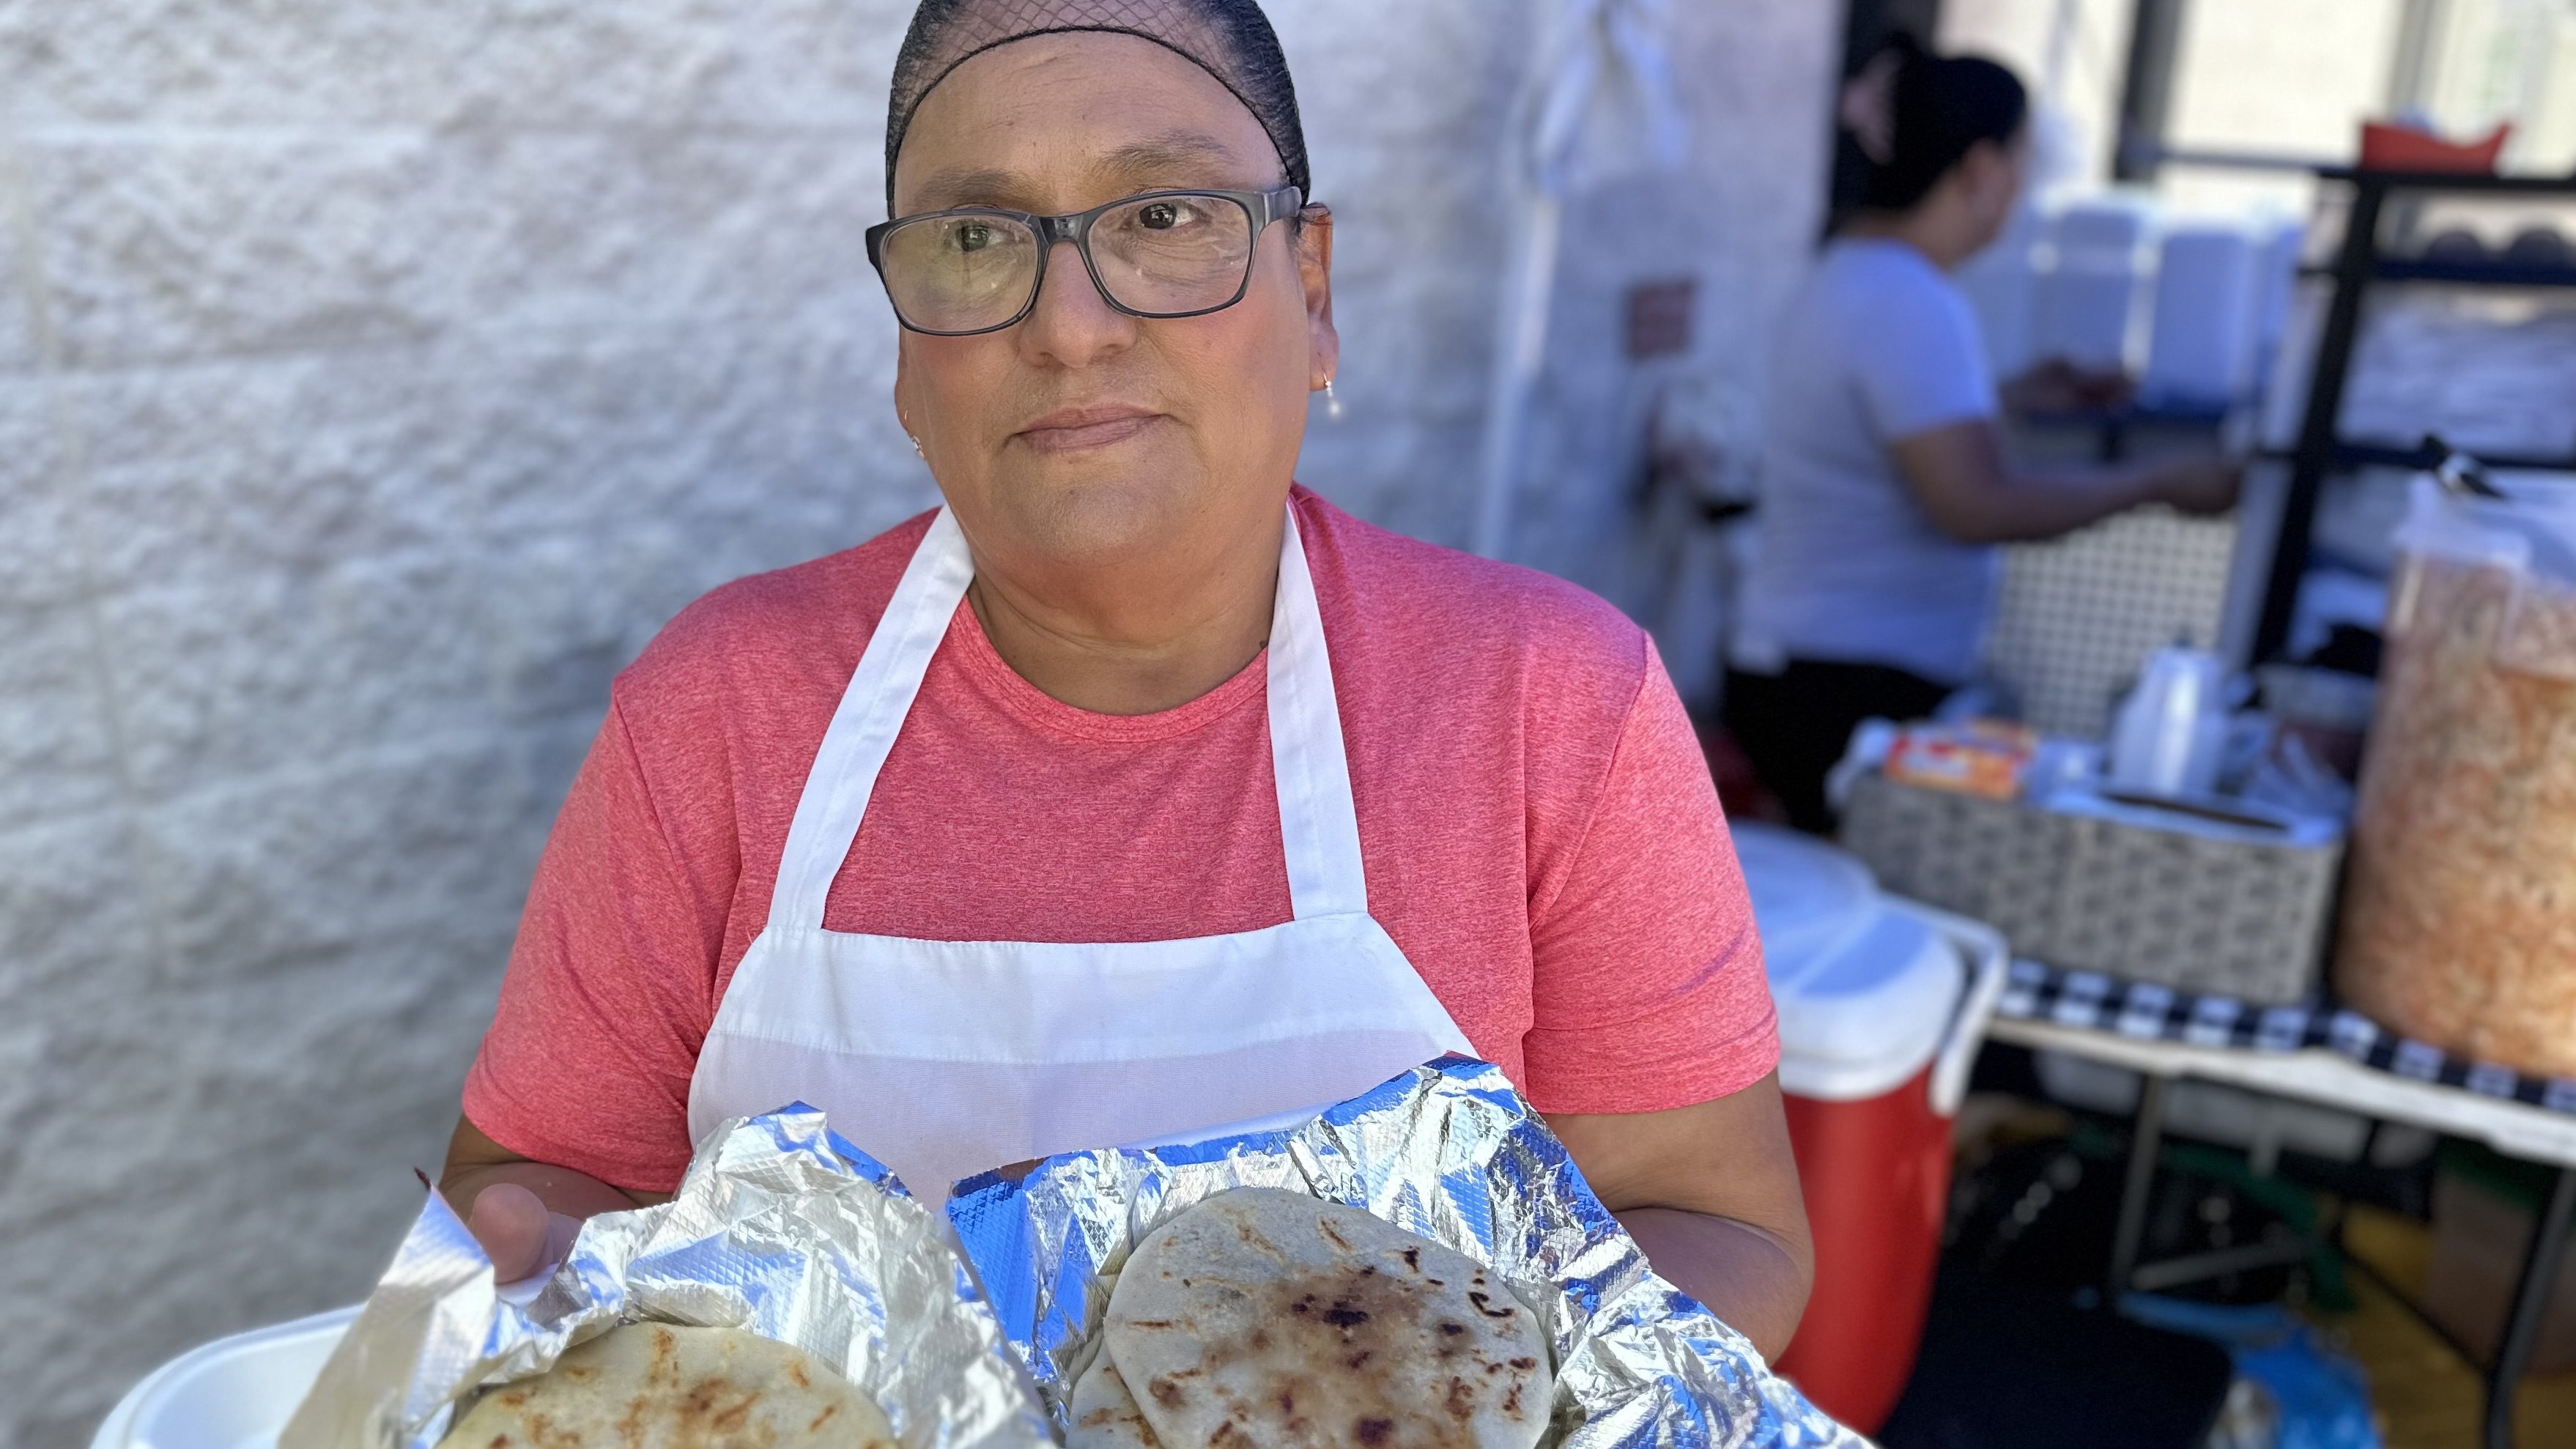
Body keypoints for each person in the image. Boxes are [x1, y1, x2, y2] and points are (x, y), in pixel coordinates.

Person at [440, 0, 1813, 1356]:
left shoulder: (1553, 705)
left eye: (1164, 217)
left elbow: (1712, 1219)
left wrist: (1413, 1394)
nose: (1072, 325)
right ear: (909, 360)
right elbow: (535, 1190)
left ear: (1313, 293)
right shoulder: (719, 707)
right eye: (977, 240)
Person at [1725, 39, 2241, 834]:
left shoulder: (1851, 272)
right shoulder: (1909, 301)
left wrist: (2015, 396)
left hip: (1801, 668)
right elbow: (1974, 505)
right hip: (1844, 683)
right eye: (2023, 164)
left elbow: (1884, 430)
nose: (2021, 190)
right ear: (1982, 169)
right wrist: (2158, 484)